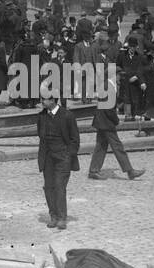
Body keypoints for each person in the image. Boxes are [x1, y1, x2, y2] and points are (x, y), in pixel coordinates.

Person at [87, 78, 145, 182]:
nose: (120, 78)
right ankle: (130, 171)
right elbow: (108, 108)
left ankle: (93, 171)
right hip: (106, 122)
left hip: (102, 121)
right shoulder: (108, 86)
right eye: (119, 75)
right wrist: (116, 121)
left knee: (101, 146)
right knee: (117, 147)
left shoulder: (107, 85)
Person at [37, 92, 80, 230]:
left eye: (45, 99)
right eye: (42, 99)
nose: (42, 101)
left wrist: (68, 155)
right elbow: (41, 135)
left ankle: (62, 218)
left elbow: (75, 139)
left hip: (63, 157)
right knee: (49, 187)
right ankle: (53, 216)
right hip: (48, 157)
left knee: (59, 186)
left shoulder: (67, 115)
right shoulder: (41, 116)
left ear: (54, 100)